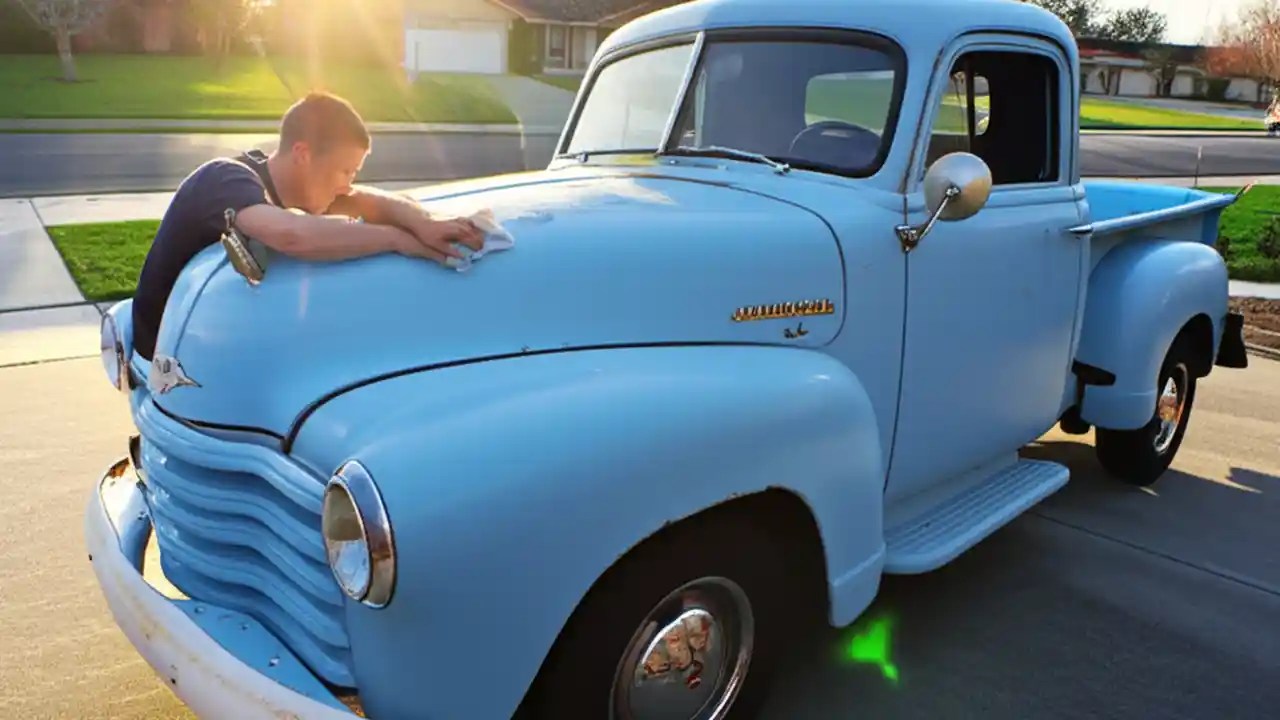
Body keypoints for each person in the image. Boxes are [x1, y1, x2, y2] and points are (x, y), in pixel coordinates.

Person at [130, 91, 484, 361]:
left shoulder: (301, 190)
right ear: (303, 154)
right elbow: (292, 235)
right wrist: (395, 239)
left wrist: (424, 223)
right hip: (167, 364)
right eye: (344, 171)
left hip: (209, 345)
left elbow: (369, 201)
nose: (347, 185)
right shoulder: (226, 179)